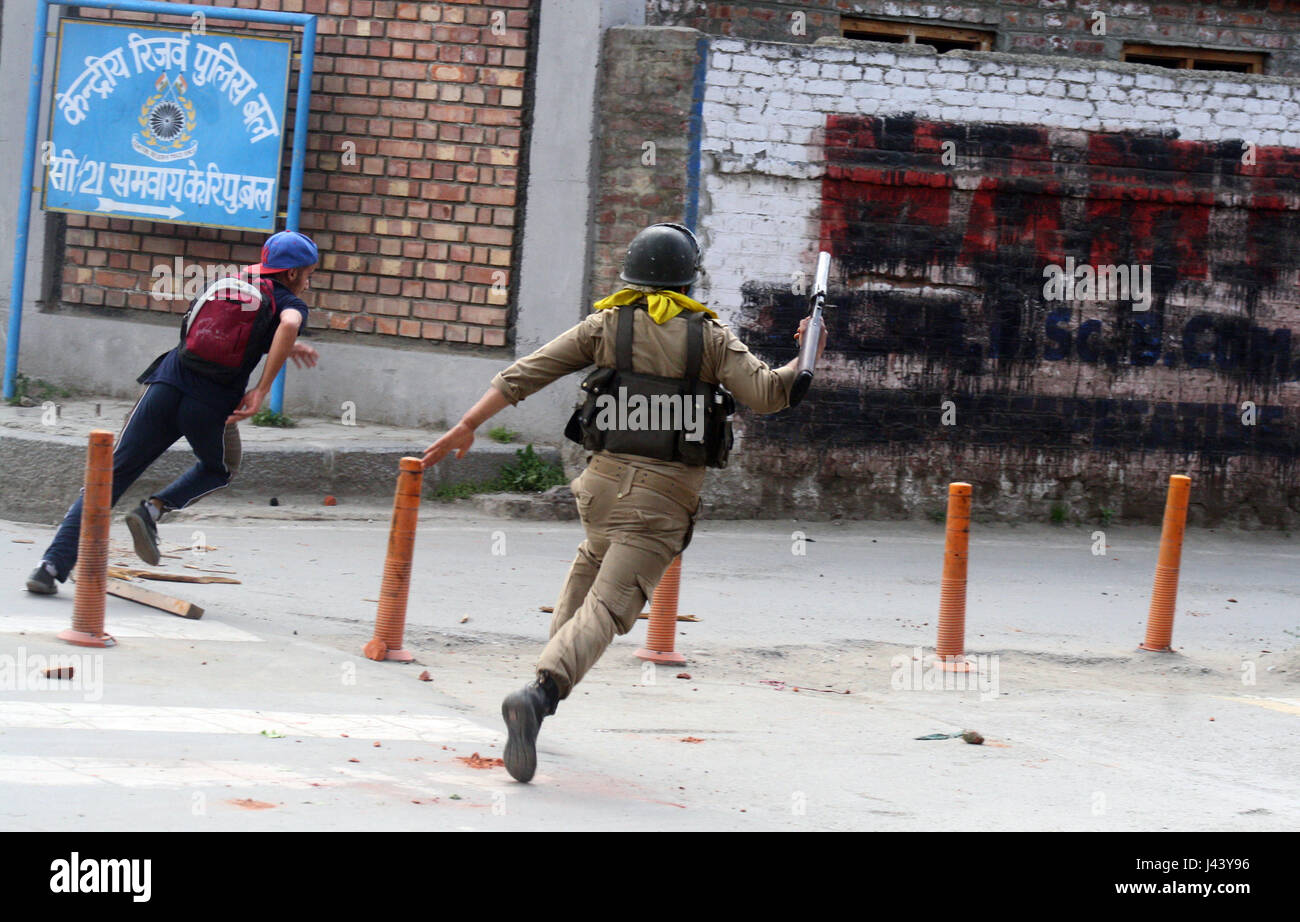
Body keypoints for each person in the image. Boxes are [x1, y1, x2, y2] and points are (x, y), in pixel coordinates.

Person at [422, 222, 827, 782]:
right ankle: (539, 695)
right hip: (661, 499)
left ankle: (546, 692)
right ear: (689, 279)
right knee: (610, 608)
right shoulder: (708, 338)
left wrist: (467, 424)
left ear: (631, 273)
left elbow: (526, 374)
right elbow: (769, 394)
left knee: (592, 562)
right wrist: (808, 352)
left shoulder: (606, 324)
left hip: (601, 486)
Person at [26, 230, 321, 594]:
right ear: (292, 274)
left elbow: (235, 329)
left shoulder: (235, 280)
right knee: (220, 468)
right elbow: (287, 323)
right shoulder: (290, 301)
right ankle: (153, 509)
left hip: (166, 385)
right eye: (309, 273)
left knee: (112, 475)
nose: (310, 282)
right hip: (211, 404)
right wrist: (261, 390)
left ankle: (50, 565)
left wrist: (286, 344)